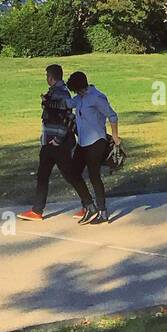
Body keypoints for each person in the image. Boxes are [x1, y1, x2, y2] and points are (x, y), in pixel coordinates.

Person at [17, 64, 95, 222]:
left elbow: (67, 119)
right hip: (49, 142)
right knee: (43, 174)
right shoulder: (54, 92)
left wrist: (58, 139)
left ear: (51, 77)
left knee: (70, 174)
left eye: (47, 76)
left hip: (59, 143)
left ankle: (89, 205)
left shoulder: (61, 93)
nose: (46, 78)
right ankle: (37, 211)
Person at [65, 70, 120, 224]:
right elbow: (68, 103)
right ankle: (89, 205)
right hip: (83, 143)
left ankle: (103, 212)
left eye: (78, 90)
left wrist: (115, 136)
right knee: (73, 173)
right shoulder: (80, 98)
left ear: (83, 87)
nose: (77, 93)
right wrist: (51, 99)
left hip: (97, 141)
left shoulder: (96, 97)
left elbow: (112, 115)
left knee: (94, 176)